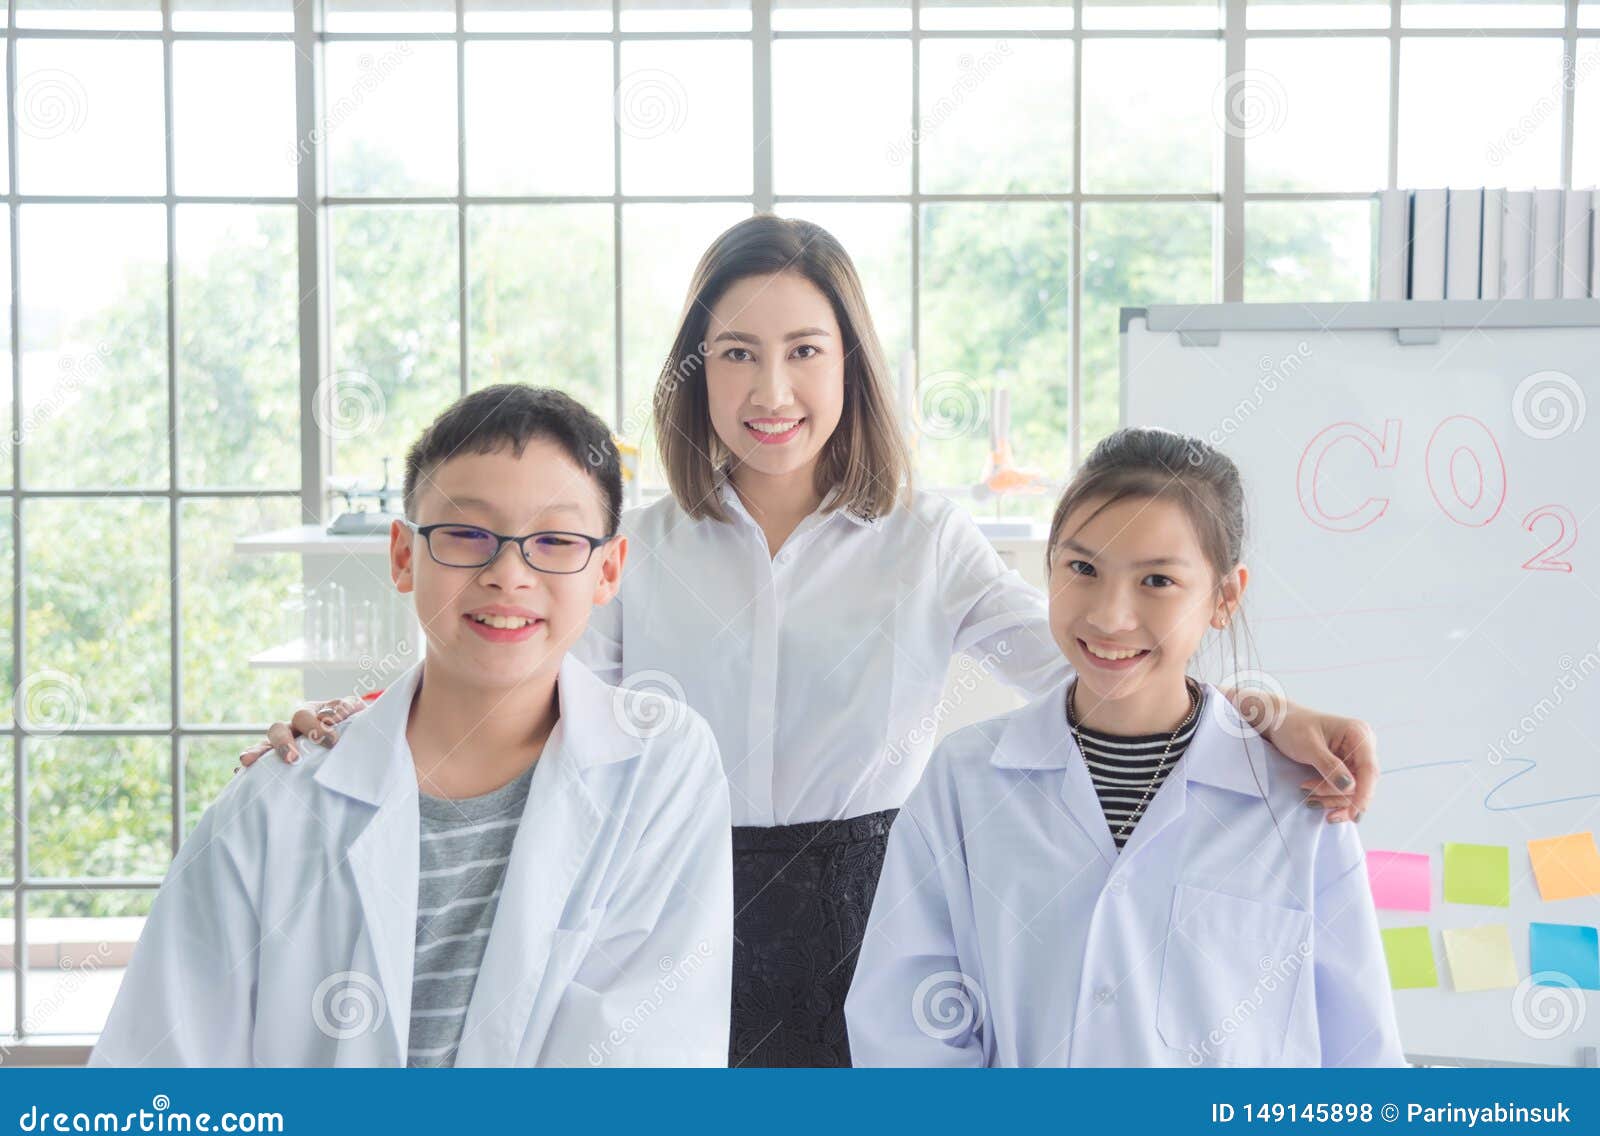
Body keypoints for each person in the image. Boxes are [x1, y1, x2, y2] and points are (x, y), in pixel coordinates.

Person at [238, 216, 1379, 1067]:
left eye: (803, 350)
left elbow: (1095, 658)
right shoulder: (643, 542)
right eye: (734, 353)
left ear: (850, 363)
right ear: (695, 370)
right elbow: (520, 688)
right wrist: (359, 724)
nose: (769, 388)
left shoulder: (924, 535)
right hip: (669, 885)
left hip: (870, 905)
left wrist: (1271, 714)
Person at [93, 386, 732, 1067]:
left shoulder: (659, 770)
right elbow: (159, 1076)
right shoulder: (279, 799)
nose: (508, 573)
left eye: (554, 540)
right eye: (466, 534)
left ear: (608, 569)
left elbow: (647, 1066)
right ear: (403, 556)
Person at [844, 427, 1403, 1067]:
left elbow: (1360, 1051)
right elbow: (904, 1030)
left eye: (1157, 581)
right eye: (1082, 568)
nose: (1110, 616)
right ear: (1049, 567)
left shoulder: (1298, 797)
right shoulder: (965, 780)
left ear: (1224, 598)